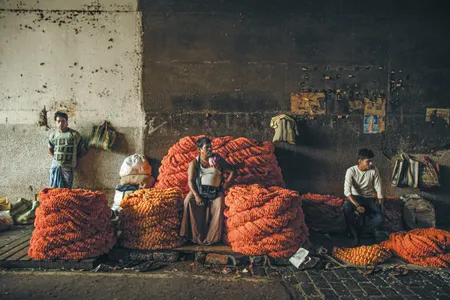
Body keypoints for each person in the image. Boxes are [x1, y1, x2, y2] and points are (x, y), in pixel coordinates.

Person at [180, 137, 237, 245]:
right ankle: (190, 236)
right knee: (188, 201)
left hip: (215, 191)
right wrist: (196, 196)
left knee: (220, 204)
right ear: (200, 149)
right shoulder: (195, 163)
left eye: (211, 146)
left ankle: (213, 238)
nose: (210, 149)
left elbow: (233, 171)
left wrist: (224, 186)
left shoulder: (217, 160)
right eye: (207, 147)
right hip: (199, 189)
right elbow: (190, 181)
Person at [343, 148, 383, 246]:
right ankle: (354, 235)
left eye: (371, 161)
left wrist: (380, 200)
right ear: (360, 161)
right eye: (368, 161)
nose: (370, 163)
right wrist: (357, 206)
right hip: (355, 198)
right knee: (346, 209)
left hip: (368, 198)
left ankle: (359, 232)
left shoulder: (373, 170)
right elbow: (347, 192)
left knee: (379, 218)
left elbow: (378, 186)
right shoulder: (351, 171)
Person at [48, 111, 86, 188]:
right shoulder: (53, 135)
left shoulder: (74, 135)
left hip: (68, 167)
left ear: (67, 122)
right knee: (54, 189)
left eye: (63, 121)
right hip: (56, 166)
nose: (61, 123)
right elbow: (50, 149)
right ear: (56, 122)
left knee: (67, 189)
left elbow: (82, 149)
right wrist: (57, 159)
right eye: (58, 121)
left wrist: (72, 158)